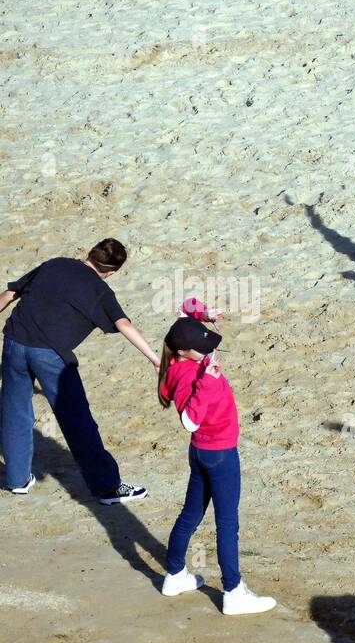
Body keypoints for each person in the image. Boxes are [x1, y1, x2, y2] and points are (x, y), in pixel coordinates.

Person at [1, 239, 158, 502]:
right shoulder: (100, 291)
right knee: (77, 421)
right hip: (50, 355)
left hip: (14, 342)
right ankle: (108, 487)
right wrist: (155, 359)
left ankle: (17, 480)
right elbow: (124, 325)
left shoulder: (55, 264)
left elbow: (9, 294)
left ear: (89, 253)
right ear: (111, 271)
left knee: (14, 411)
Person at [156, 314, 276, 616]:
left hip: (201, 454)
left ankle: (175, 575)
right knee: (227, 524)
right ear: (183, 351)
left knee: (191, 513)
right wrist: (208, 380)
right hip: (219, 454)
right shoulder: (190, 377)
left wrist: (199, 315)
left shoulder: (179, 363)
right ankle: (234, 592)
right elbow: (189, 420)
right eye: (201, 347)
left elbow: (183, 320)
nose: (207, 350)